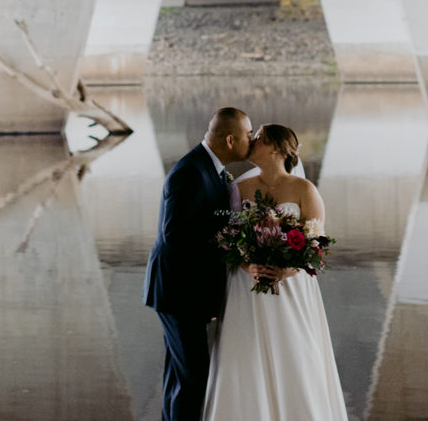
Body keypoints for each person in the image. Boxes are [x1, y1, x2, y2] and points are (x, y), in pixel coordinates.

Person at [203, 124, 348, 420]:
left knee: (295, 352)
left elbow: (317, 243)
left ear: (277, 148)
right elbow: (227, 238)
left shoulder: (304, 189)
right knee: (244, 354)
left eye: (260, 137)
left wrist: (286, 269)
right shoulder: (239, 188)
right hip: (247, 286)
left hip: (291, 288)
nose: (253, 139)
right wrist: (248, 264)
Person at [145, 106, 253, 421]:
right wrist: (232, 247)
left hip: (187, 293)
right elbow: (175, 236)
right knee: (194, 379)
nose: (252, 138)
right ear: (231, 139)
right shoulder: (190, 171)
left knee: (180, 377)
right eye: (248, 134)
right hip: (179, 294)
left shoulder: (215, 170)